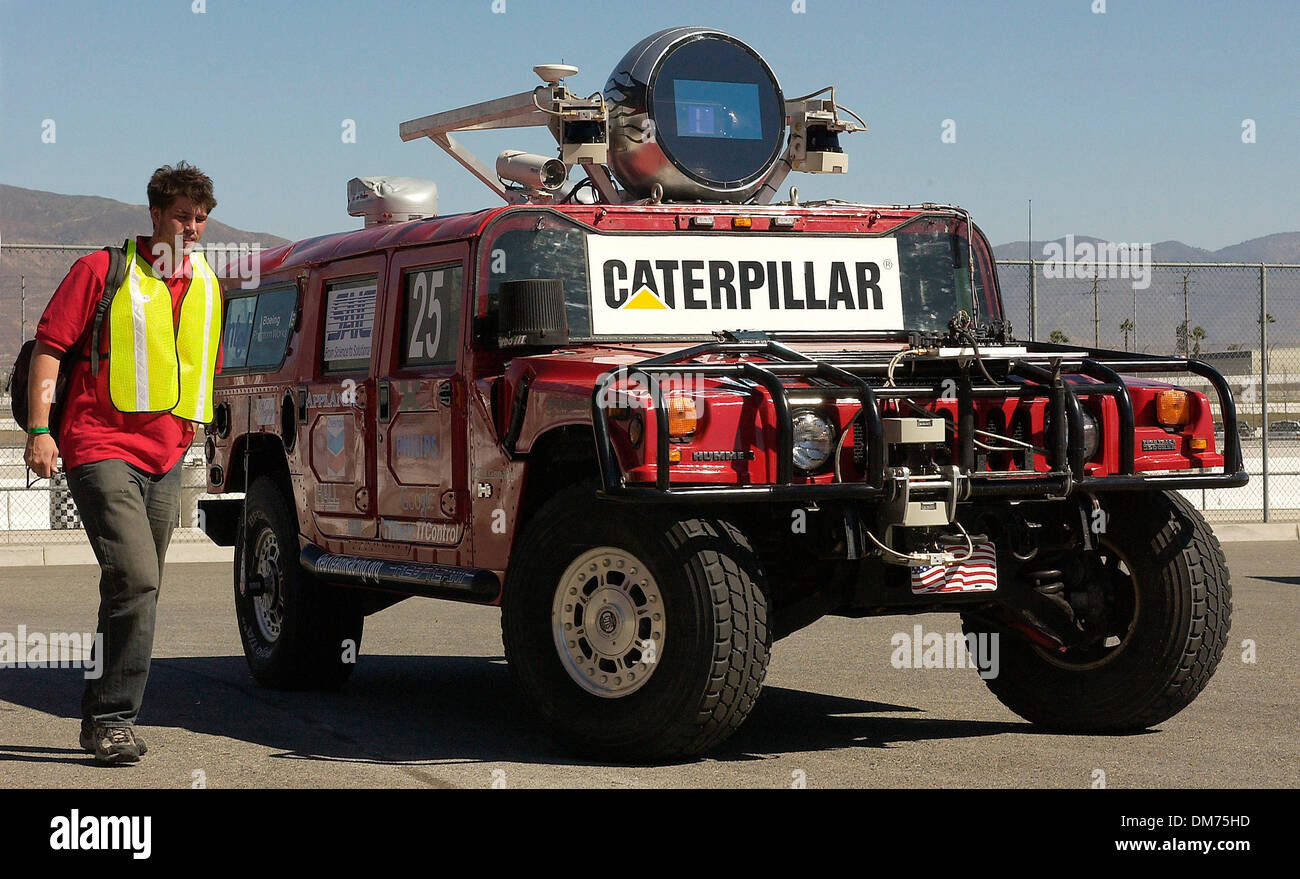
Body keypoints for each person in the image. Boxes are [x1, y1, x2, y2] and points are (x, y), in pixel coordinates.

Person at [24, 162, 223, 765]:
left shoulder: (207, 282)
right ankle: (112, 720)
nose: (192, 228)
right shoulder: (103, 270)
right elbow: (50, 349)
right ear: (157, 214)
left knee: (137, 586)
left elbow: (199, 367)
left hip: (166, 457)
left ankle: (102, 711)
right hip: (98, 445)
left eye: (201, 219)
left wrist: (191, 435)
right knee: (136, 576)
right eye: (183, 216)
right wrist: (37, 429)